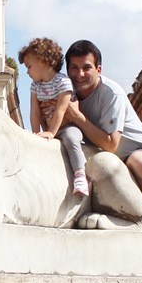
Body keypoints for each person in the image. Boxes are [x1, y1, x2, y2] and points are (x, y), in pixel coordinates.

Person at [62, 40, 142, 232]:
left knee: (140, 163)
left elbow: (111, 144)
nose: (80, 74)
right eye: (74, 68)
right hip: (102, 158)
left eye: (87, 68)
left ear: (98, 69)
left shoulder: (112, 94)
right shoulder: (65, 91)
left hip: (135, 151)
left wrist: (77, 117)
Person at [19, 37, 88, 196]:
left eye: (29, 66)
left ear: (42, 62)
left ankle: (80, 175)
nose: (27, 72)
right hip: (49, 128)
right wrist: (36, 133)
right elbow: (35, 111)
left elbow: (61, 110)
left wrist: (51, 132)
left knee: (71, 138)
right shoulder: (35, 86)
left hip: (67, 127)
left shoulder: (62, 82)